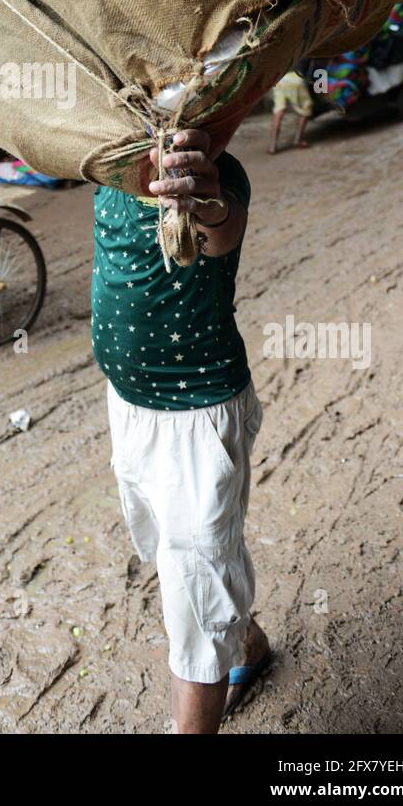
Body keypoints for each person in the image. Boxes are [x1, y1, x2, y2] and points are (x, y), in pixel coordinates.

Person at [94, 128, 270, 734]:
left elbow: (222, 230)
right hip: (130, 408)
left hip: (198, 419)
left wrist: (206, 197)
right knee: (173, 546)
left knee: (194, 587)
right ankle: (246, 642)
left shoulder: (218, 182)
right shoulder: (107, 172)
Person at [268, 67, 313, 152]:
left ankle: (272, 146)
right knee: (306, 107)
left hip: (280, 79)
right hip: (295, 78)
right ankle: (298, 140)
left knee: (278, 111)